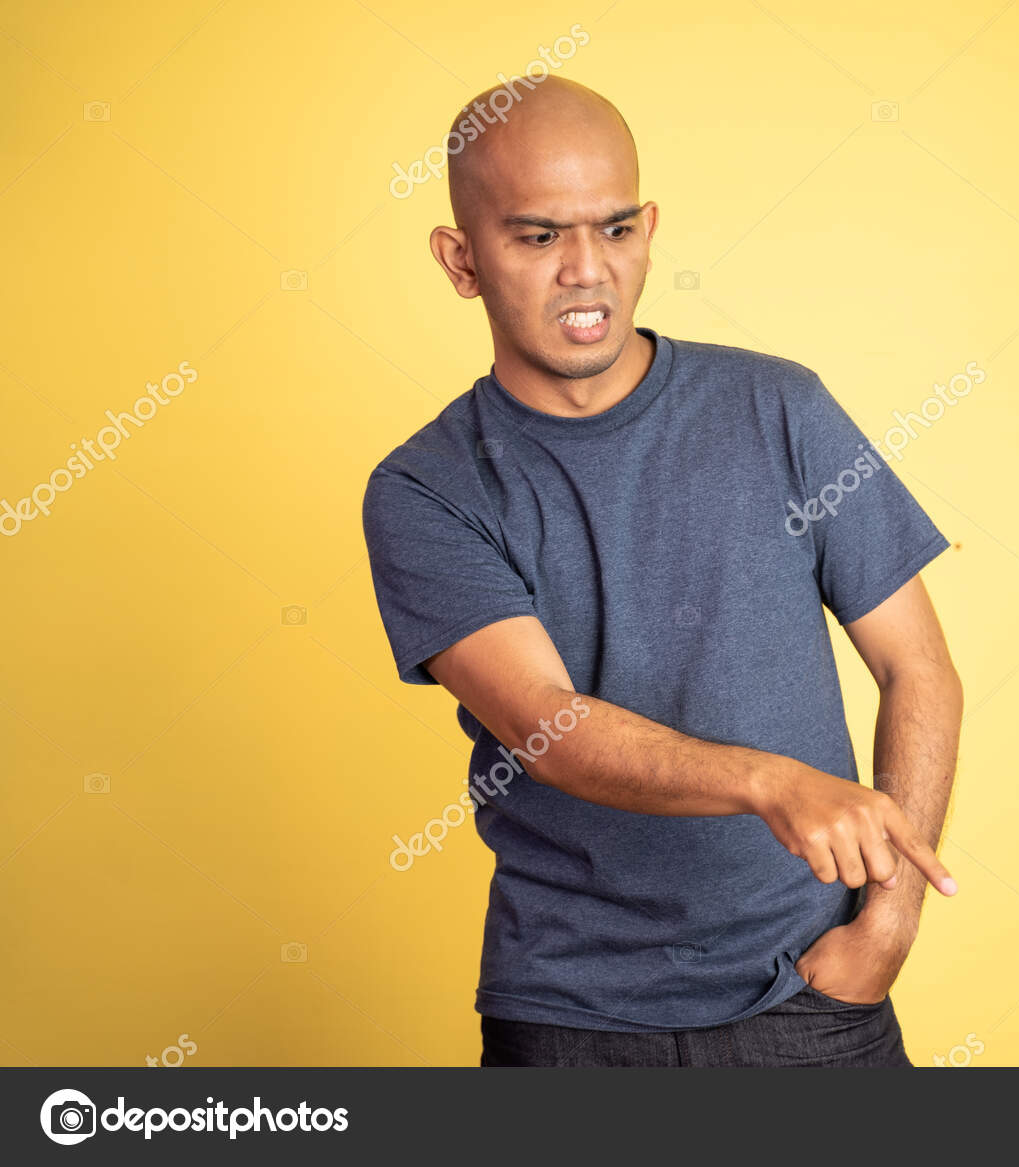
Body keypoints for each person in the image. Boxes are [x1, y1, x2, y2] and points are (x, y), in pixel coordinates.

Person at [361, 73, 964, 1067]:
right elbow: (546, 728)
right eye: (538, 236)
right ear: (461, 260)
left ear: (648, 229)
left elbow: (919, 668)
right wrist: (772, 784)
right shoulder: (427, 487)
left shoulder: (781, 408)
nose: (586, 271)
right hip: (569, 1017)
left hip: (813, 994)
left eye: (614, 229)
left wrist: (887, 927)